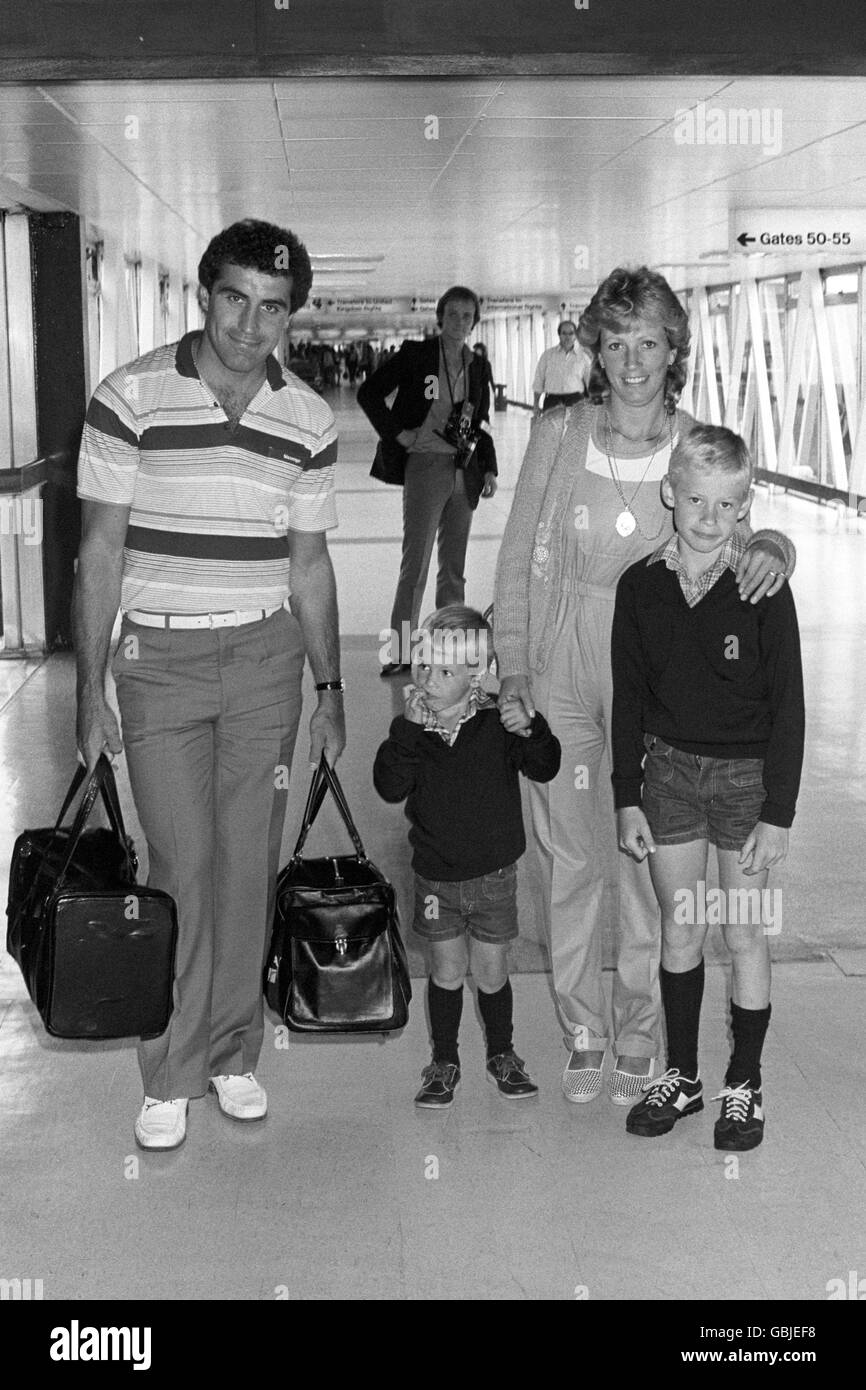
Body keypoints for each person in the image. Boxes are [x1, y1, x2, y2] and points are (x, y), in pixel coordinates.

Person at [493, 265, 796, 1108]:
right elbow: (517, 556)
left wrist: (776, 546)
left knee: (644, 859)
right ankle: (582, 1029)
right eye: (617, 340)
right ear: (596, 347)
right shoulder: (559, 434)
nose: (632, 359)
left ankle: (638, 1031)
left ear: (674, 352)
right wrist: (513, 669)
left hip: (658, 683)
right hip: (561, 662)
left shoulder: (696, 435)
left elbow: (740, 520)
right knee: (570, 858)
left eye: (650, 342)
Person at [73, 218, 346, 1152]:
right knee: (179, 865)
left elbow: (308, 565)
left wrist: (332, 685)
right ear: (204, 294)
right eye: (234, 298)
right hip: (159, 666)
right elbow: (99, 553)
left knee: (248, 867)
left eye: (272, 309)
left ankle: (233, 1054)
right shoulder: (131, 398)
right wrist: (87, 691)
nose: (248, 324)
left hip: (266, 664)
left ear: (289, 318)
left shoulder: (306, 418)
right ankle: (170, 1065)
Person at [612, 425, 804, 1150]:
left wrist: (777, 813)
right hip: (668, 782)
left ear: (745, 506)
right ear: (669, 493)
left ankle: (744, 1085)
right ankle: (684, 1076)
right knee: (681, 928)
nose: (708, 518)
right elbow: (628, 696)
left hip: (745, 786)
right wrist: (626, 793)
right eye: (695, 498)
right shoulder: (640, 588)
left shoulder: (761, 587)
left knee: (744, 931)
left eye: (727, 505)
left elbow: (790, 704)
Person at [373, 606, 561, 1106]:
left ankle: (503, 1053)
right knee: (446, 971)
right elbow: (389, 786)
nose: (429, 681)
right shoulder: (413, 729)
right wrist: (407, 734)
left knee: (493, 972)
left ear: (476, 676)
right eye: (424, 667)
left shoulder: (499, 722)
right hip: (435, 879)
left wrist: (531, 727)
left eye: (445, 672)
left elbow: (546, 767)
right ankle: (444, 1060)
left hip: (494, 876)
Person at [358, 286, 498, 677]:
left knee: (453, 567)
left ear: (474, 322)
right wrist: (397, 434)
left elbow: (479, 422)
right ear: (440, 317)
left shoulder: (478, 366)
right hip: (425, 466)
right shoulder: (417, 356)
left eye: (467, 316)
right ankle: (402, 650)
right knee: (415, 564)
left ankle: (450, 646)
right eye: (452, 315)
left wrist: (487, 467)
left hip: (463, 469)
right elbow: (369, 394)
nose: (459, 322)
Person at [532, 320, 591, 418]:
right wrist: (535, 405)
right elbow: (539, 381)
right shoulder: (547, 356)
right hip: (552, 402)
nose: (567, 337)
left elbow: (590, 383)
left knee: (575, 433)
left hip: (576, 401)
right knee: (552, 432)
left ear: (575, 335)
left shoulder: (583, 357)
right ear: (559, 335)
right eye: (564, 333)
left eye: (571, 333)